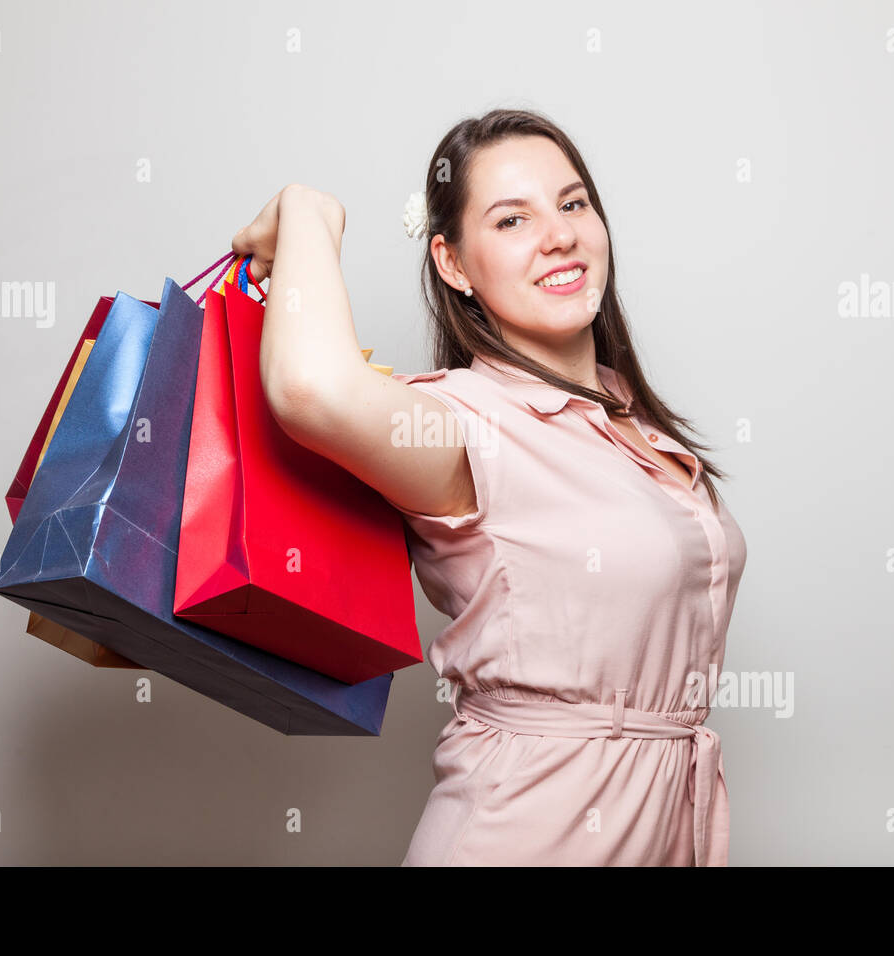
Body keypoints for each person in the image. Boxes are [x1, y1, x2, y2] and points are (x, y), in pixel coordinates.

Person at [231, 108, 748, 866]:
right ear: (453, 264)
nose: (559, 235)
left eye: (573, 204)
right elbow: (311, 390)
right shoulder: (463, 424)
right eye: (512, 220)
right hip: (529, 832)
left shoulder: (634, 424)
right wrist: (308, 212)